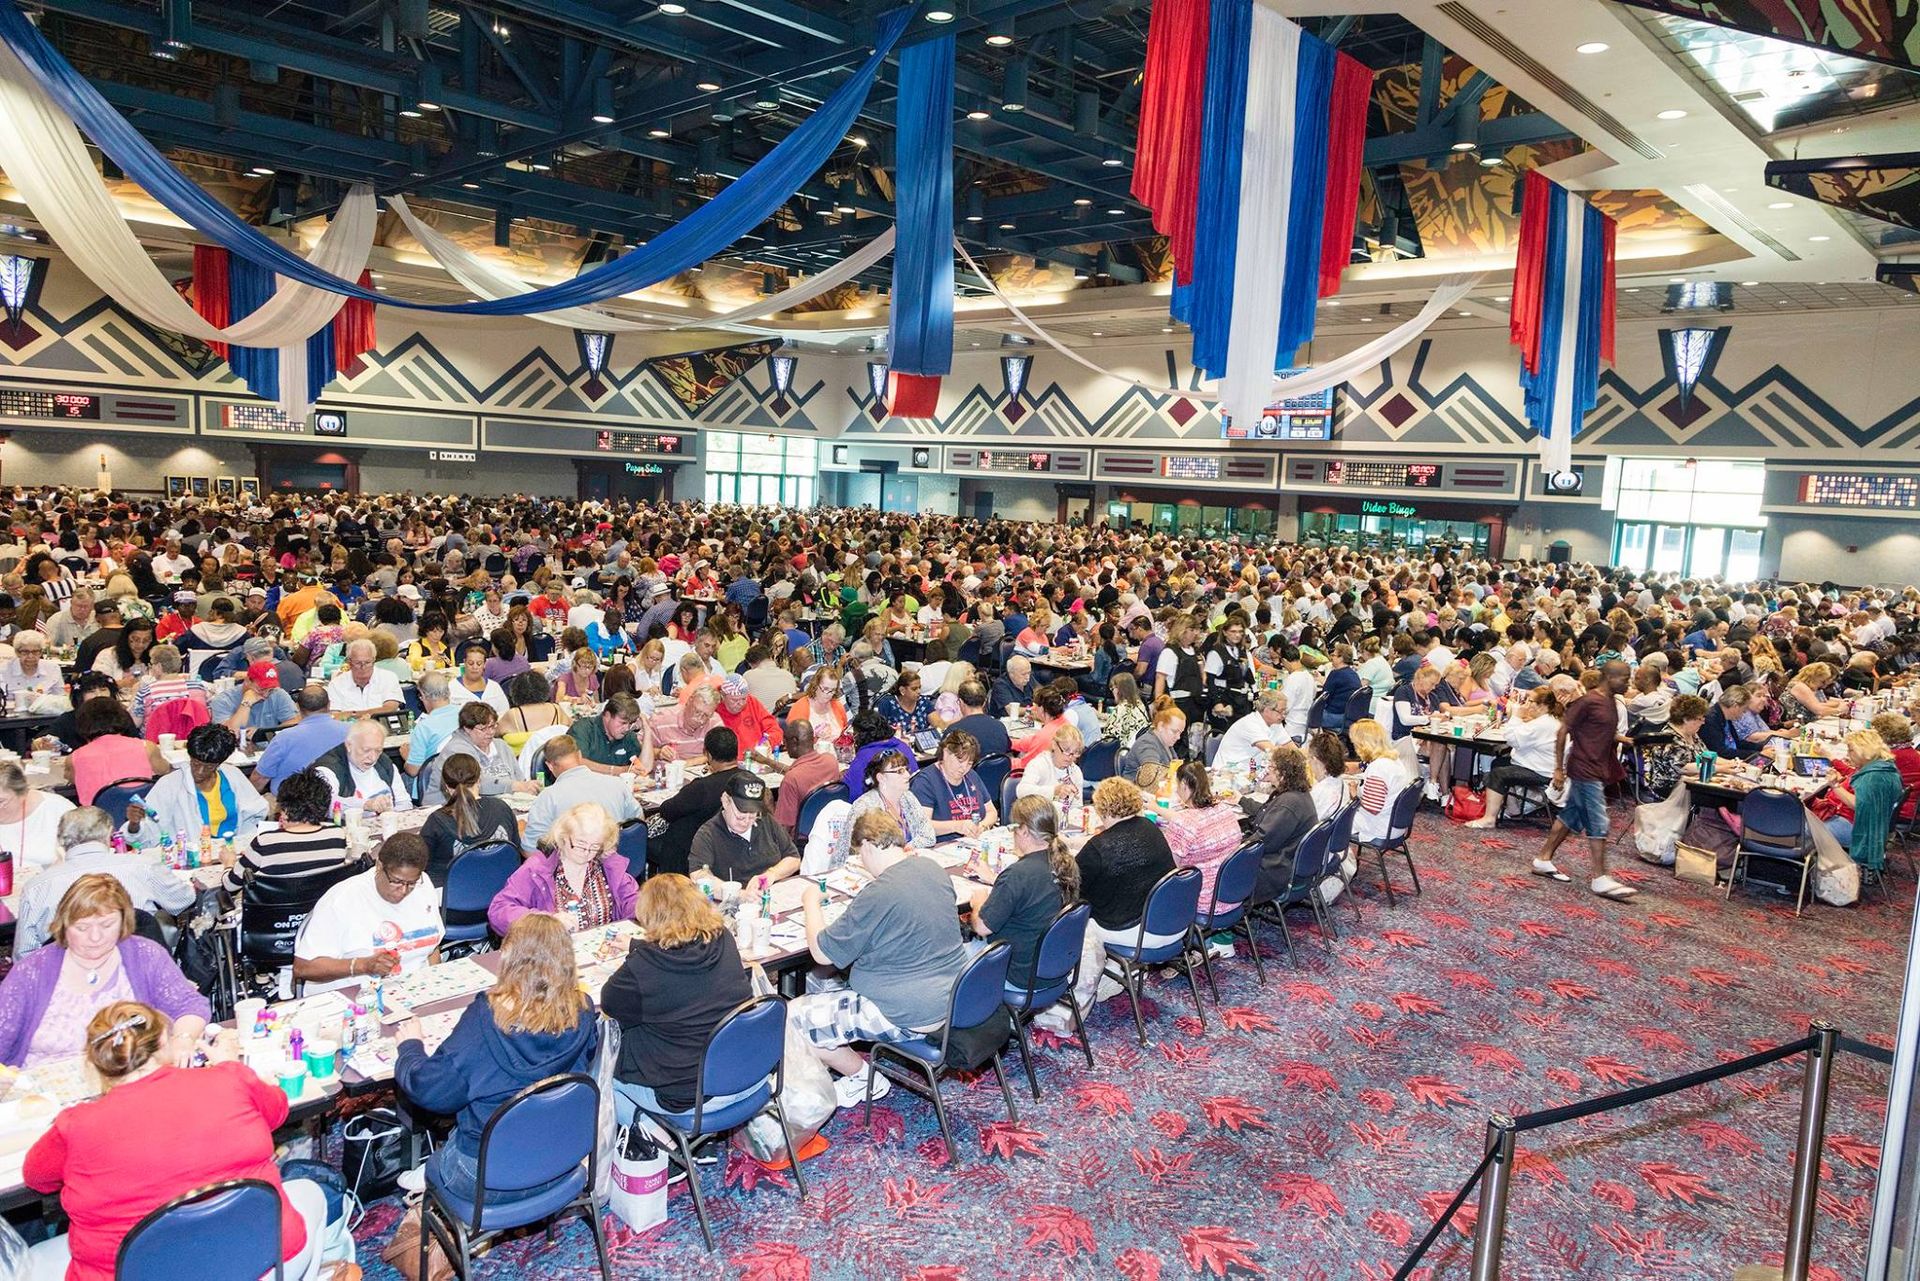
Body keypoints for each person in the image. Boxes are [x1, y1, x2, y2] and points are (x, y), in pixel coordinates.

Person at [23, 1000, 338, 1281]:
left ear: (95, 1061)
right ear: (165, 1041)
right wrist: (231, 1066)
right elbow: (277, 1111)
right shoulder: (228, 1079)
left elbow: (37, 1179)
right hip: (262, 1263)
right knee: (310, 1193)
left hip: (129, 1270)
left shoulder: (76, 1125)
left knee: (34, 1257)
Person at [394, 913, 597, 1201]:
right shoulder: (584, 1009)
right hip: (561, 1159)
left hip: (486, 1177)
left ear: (509, 959)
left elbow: (433, 1091)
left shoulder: (485, 1021)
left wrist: (410, 1048)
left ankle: (435, 1172)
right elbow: (589, 1055)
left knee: (463, 1121)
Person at [796, 809, 970, 1107]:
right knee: (833, 996)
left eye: (859, 854)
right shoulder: (931, 868)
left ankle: (864, 1078)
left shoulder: (879, 892)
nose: (861, 861)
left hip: (909, 1012)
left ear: (868, 845)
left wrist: (810, 902)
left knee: (793, 1018)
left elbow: (821, 953)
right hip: (953, 996)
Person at [0, 875, 211, 1067]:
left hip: (133, 1079)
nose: (95, 937)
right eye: (82, 928)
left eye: (107, 924)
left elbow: (189, 1005)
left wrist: (182, 1039)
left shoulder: (145, 955)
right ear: (63, 926)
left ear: (124, 921)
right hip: (48, 1095)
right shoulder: (31, 972)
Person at [600, 874, 754, 1119]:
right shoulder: (722, 937)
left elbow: (610, 1003)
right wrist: (638, 946)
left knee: (599, 1070)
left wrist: (640, 954)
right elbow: (682, 958)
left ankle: (652, 1137)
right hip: (748, 1071)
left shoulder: (644, 968)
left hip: (687, 1095)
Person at [15, 808, 196, 957]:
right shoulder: (144, 866)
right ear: (109, 833)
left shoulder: (35, 888)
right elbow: (183, 901)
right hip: (139, 977)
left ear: (60, 840)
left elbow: (24, 955)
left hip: (70, 985)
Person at [1070, 777, 1177, 1012]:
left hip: (1134, 931)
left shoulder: (1099, 847)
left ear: (1102, 810)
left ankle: (1076, 990)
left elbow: (1074, 891)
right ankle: (1116, 972)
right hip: (1170, 922)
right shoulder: (1151, 829)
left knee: (1072, 917)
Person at [293, 832, 444, 994]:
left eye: (411, 883)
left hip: (412, 991)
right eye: (396, 881)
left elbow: (433, 947)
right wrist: (363, 965)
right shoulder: (342, 899)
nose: (403, 890)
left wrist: (434, 984)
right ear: (379, 866)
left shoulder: (424, 885)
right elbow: (303, 967)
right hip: (356, 996)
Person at [1540, 659, 1636, 899]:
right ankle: (1600, 878)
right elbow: (1563, 731)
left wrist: (1622, 740)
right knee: (1598, 821)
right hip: (1583, 769)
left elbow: (1599, 730)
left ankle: (1543, 859)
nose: (1628, 683)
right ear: (1609, 677)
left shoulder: (1611, 702)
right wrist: (1558, 770)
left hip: (1597, 768)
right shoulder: (1588, 701)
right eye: (1624, 678)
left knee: (1570, 816)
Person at [966, 793, 1076, 997]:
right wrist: (996, 880)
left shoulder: (1018, 875)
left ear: (1024, 831)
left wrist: (979, 903)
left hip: (1019, 975)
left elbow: (981, 927)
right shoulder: (1066, 864)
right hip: (1057, 968)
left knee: (955, 955)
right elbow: (1032, 892)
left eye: (1013, 828)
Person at [491, 802, 640, 935]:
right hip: (553, 955)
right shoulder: (537, 869)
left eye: (595, 846)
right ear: (563, 836)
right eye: (580, 844)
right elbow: (499, 910)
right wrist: (546, 921)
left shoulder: (608, 865)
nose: (587, 853)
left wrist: (647, 910)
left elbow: (633, 901)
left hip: (603, 951)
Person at [126, 723, 268, 848]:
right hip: (192, 857)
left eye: (208, 767)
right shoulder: (169, 785)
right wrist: (134, 824)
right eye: (195, 763)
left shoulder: (233, 776)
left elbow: (256, 814)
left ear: (219, 764)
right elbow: (147, 836)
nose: (199, 772)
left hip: (233, 851)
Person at [222, 768, 353, 894]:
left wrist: (229, 863)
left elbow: (230, 885)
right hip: (319, 910)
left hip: (276, 914)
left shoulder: (265, 842)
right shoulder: (337, 834)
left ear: (286, 810)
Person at [522, 733, 644, 849]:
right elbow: (639, 823)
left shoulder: (548, 797)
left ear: (549, 765)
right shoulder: (618, 784)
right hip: (617, 863)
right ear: (580, 755)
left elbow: (531, 850)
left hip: (575, 868)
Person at [1466, 687, 1565, 829]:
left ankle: (1489, 819)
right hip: (1542, 766)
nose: (1526, 704)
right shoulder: (1548, 720)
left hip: (1541, 772)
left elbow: (1512, 739)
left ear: (1541, 706)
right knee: (1498, 763)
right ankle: (1513, 809)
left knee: (1498, 774)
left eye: (1530, 701)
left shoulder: (1542, 724)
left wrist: (1517, 716)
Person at [420, 752, 521, 887]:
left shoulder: (436, 822)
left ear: (446, 786)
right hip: (502, 890)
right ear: (479, 780)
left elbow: (419, 864)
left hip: (452, 899)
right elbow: (516, 852)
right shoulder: (501, 808)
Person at [831, 749, 938, 867]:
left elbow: (929, 836)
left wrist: (907, 848)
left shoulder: (907, 797)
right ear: (881, 777)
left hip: (900, 865)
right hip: (861, 872)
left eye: (906, 769)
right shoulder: (865, 807)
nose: (907, 775)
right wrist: (903, 852)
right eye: (899, 771)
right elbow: (860, 854)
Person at [1161, 761, 1245, 907]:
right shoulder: (1225, 809)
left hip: (1202, 900)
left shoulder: (1184, 822)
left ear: (1183, 785)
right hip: (1235, 892)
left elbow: (1172, 868)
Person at [690, 774, 802, 884]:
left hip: (770, 895)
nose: (746, 821)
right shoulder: (707, 834)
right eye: (740, 815)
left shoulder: (765, 820)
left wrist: (770, 875)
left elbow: (794, 858)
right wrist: (738, 894)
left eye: (753, 815)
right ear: (725, 801)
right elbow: (698, 875)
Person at [422, 702, 537, 807]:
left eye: (492, 726)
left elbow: (519, 778)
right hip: (448, 808)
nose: (490, 732)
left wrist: (526, 787)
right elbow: (474, 784)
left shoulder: (501, 746)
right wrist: (515, 786)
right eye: (483, 729)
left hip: (496, 806)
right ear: (467, 728)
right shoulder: (457, 750)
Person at [1826, 728, 1902, 879]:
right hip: (1872, 826)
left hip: (1857, 828)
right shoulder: (1883, 767)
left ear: (1864, 751)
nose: (1848, 755)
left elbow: (1859, 805)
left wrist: (1835, 786)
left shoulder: (1873, 777)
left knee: (1804, 828)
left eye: (1851, 751)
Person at [1246, 744, 1320, 902]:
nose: (1268, 769)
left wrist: (1233, 847)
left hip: (1274, 873)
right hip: (1288, 864)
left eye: (1271, 766)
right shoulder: (1297, 794)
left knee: (1218, 867)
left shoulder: (1287, 804)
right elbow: (1267, 812)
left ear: (1283, 772)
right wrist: (1241, 800)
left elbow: (1261, 843)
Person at [252, 686, 351, 795]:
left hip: (289, 805)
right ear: (329, 705)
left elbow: (260, 778)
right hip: (339, 803)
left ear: (298, 707)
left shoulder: (284, 738)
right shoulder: (351, 732)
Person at [67, 698, 167, 807]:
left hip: (97, 820)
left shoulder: (74, 758)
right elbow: (164, 770)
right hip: (143, 815)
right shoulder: (147, 747)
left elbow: (71, 779)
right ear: (122, 718)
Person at [311, 718, 413, 815]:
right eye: (366, 750)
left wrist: (392, 817)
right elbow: (325, 804)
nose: (373, 758)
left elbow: (404, 802)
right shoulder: (328, 768)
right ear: (349, 745)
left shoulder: (385, 763)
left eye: (378, 750)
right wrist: (366, 804)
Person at [910, 729, 998, 840]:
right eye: (960, 761)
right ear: (946, 753)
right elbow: (921, 826)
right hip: (940, 846)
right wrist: (956, 826)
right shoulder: (925, 782)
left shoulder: (971, 775)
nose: (964, 768)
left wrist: (982, 826)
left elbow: (992, 811)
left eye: (969, 763)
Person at [771, 718, 843, 835]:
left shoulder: (792, 779)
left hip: (802, 838)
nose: (783, 744)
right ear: (813, 739)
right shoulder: (831, 762)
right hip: (829, 831)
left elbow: (783, 827)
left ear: (794, 741)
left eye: (785, 740)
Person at [210, 658, 299, 735]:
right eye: (261, 689)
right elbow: (229, 734)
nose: (266, 694)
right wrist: (246, 703)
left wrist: (263, 733)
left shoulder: (278, 693)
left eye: (270, 690)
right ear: (248, 681)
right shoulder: (223, 700)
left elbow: (295, 722)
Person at [325, 637, 403, 717]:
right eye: (358, 663)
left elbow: (390, 708)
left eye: (367, 662)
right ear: (349, 662)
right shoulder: (336, 684)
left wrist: (352, 714)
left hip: (382, 727)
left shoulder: (388, 677)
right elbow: (335, 716)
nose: (363, 667)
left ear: (374, 660)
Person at [1213, 690, 1286, 771]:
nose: (1283, 715)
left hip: (1250, 772)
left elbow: (1294, 750)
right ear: (1267, 710)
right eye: (1280, 711)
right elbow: (1271, 751)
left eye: (1284, 711)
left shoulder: (1276, 723)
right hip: (1227, 773)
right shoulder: (1250, 724)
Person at [406, 670, 459, 779]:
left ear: (424, 695)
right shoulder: (464, 714)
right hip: (463, 775)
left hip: (433, 781)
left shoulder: (423, 727)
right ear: (448, 692)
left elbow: (413, 770)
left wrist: (406, 756)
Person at [1016, 723, 1086, 805]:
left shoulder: (1075, 771)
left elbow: (1077, 806)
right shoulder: (1039, 764)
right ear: (1054, 745)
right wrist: (1054, 791)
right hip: (1039, 815)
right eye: (1066, 750)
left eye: (1075, 753)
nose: (1070, 757)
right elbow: (1021, 791)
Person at [949, 678, 1012, 759]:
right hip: (1000, 771)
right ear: (985, 702)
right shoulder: (1000, 726)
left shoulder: (954, 731)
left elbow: (943, 759)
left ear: (961, 702)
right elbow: (1008, 749)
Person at [1120, 705, 1183, 777]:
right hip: (1137, 787)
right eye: (1174, 731)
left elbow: (1176, 770)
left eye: (1180, 732)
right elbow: (1152, 776)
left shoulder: (1166, 742)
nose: (1178, 737)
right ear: (1160, 726)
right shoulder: (1146, 743)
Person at [448, 641, 509, 715]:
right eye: (471, 663)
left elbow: (505, 713)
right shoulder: (452, 687)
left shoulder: (494, 687)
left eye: (479, 663)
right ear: (464, 663)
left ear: (484, 664)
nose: (475, 667)